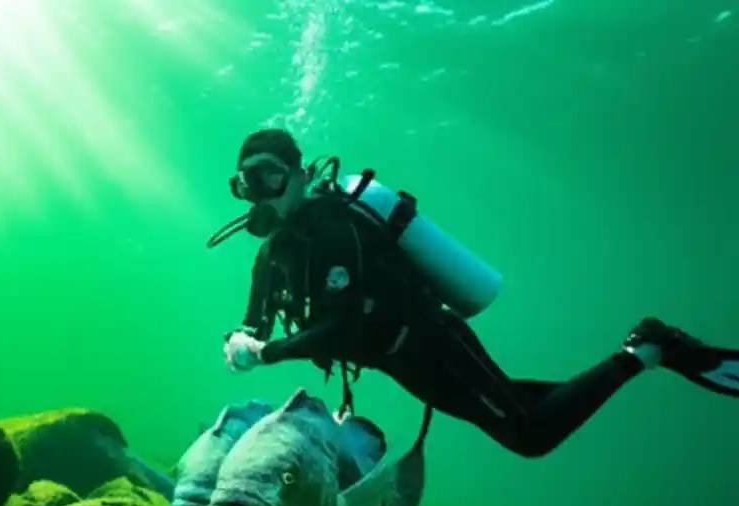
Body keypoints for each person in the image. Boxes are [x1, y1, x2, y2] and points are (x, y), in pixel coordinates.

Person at [208, 128, 739, 458]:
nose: (259, 194)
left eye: (269, 177)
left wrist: (267, 354)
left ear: (300, 175)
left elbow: (341, 326)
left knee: (528, 436)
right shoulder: (273, 255)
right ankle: (651, 356)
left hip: (432, 343)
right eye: (246, 183)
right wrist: (240, 341)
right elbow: (255, 323)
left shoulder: (334, 230)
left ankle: (647, 348)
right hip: (405, 362)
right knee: (515, 405)